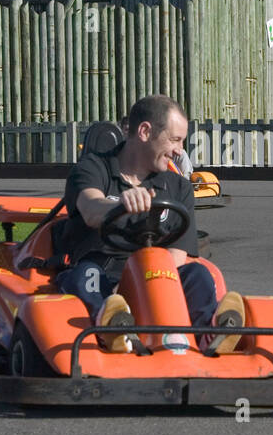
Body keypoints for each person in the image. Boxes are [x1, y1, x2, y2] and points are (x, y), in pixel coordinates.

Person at [55, 95, 243, 353]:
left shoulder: (178, 187)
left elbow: (177, 255)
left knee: (198, 273)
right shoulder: (93, 168)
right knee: (86, 275)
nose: (180, 150)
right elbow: (90, 208)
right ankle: (112, 325)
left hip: (156, 277)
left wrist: (142, 286)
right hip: (102, 271)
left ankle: (210, 332)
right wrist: (120, 204)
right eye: (175, 140)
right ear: (145, 131)